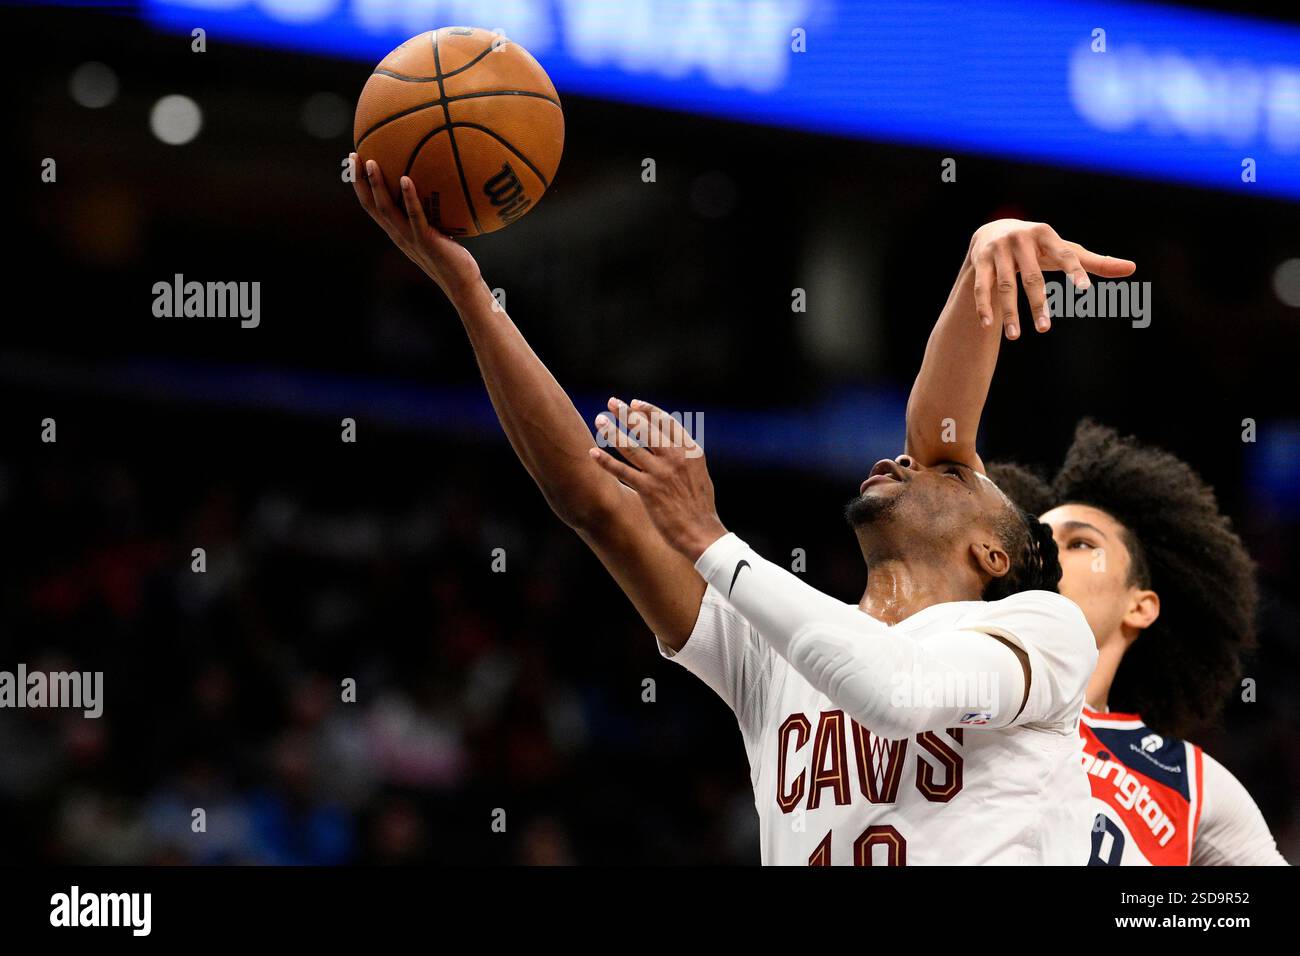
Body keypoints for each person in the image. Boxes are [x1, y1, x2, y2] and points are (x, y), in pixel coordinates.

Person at [351, 160, 1099, 864]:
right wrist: (470, 295)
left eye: (951, 473)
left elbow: (897, 693)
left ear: (993, 555)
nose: (907, 457)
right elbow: (594, 501)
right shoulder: (775, 649)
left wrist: (712, 540)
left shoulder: (1040, 632)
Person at [905, 218, 1287, 865]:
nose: (1049, 551)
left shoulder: (1191, 787)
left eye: (1079, 542)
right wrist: (981, 265)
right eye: (1039, 540)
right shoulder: (957, 689)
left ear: (1142, 604)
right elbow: (935, 460)